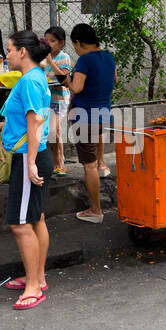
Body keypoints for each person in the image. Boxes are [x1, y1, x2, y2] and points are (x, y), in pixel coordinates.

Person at [0, 30, 53, 309]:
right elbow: (30, 118)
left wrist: (29, 164)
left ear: (23, 52)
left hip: (29, 157)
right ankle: (36, 277)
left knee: (19, 223)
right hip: (35, 155)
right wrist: (3, 126)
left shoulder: (29, 81)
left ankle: (34, 288)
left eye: (11, 50)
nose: (8, 56)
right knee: (35, 219)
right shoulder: (37, 78)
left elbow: (35, 122)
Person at [66, 23, 116, 223]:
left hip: (84, 116)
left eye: (74, 45)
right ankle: (96, 206)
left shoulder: (84, 60)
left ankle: (95, 210)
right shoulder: (109, 57)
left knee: (89, 165)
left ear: (78, 42)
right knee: (94, 160)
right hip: (103, 113)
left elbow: (77, 88)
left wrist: (67, 81)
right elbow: (114, 80)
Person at [42, 26, 74, 176]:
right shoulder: (43, 57)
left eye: (52, 41)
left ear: (61, 43)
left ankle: (60, 163)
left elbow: (64, 79)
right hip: (47, 97)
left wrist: (50, 61)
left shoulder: (64, 57)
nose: (49, 44)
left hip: (60, 98)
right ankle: (55, 161)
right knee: (51, 132)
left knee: (56, 131)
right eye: (46, 40)